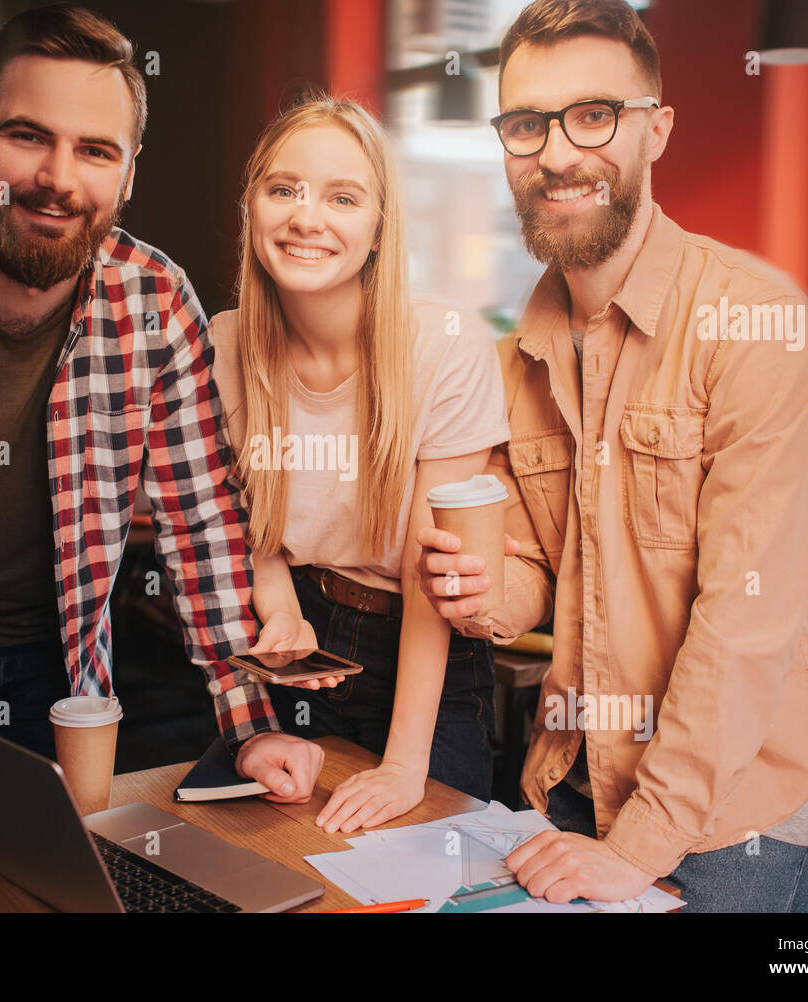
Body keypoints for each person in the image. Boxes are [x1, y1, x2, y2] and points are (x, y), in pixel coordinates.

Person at [0, 5, 321, 900]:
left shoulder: (156, 295)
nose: (55, 178)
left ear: (126, 172)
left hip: (65, 669)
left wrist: (252, 723)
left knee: (54, 889)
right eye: (25, 136)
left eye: (94, 149)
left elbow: (200, 524)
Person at [416, 0, 808, 911]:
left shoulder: (755, 326)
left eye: (594, 115)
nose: (558, 154)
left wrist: (638, 847)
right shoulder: (516, 357)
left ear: (656, 131)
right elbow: (539, 565)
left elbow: (748, 623)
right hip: (578, 773)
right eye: (527, 124)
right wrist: (478, 589)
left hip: (738, 811)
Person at [208, 96, 512, 833]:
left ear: (379, 228)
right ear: (252, 205)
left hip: (418, 648)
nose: (307, 217)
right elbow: (245, 520)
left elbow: (427, 571)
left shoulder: (445, 345)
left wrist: (407, 764)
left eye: (343, 197)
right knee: (265, 858)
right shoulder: (222, 344)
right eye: (284, 189)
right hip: (290, 640)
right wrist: (278, 606)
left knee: (419, 871)